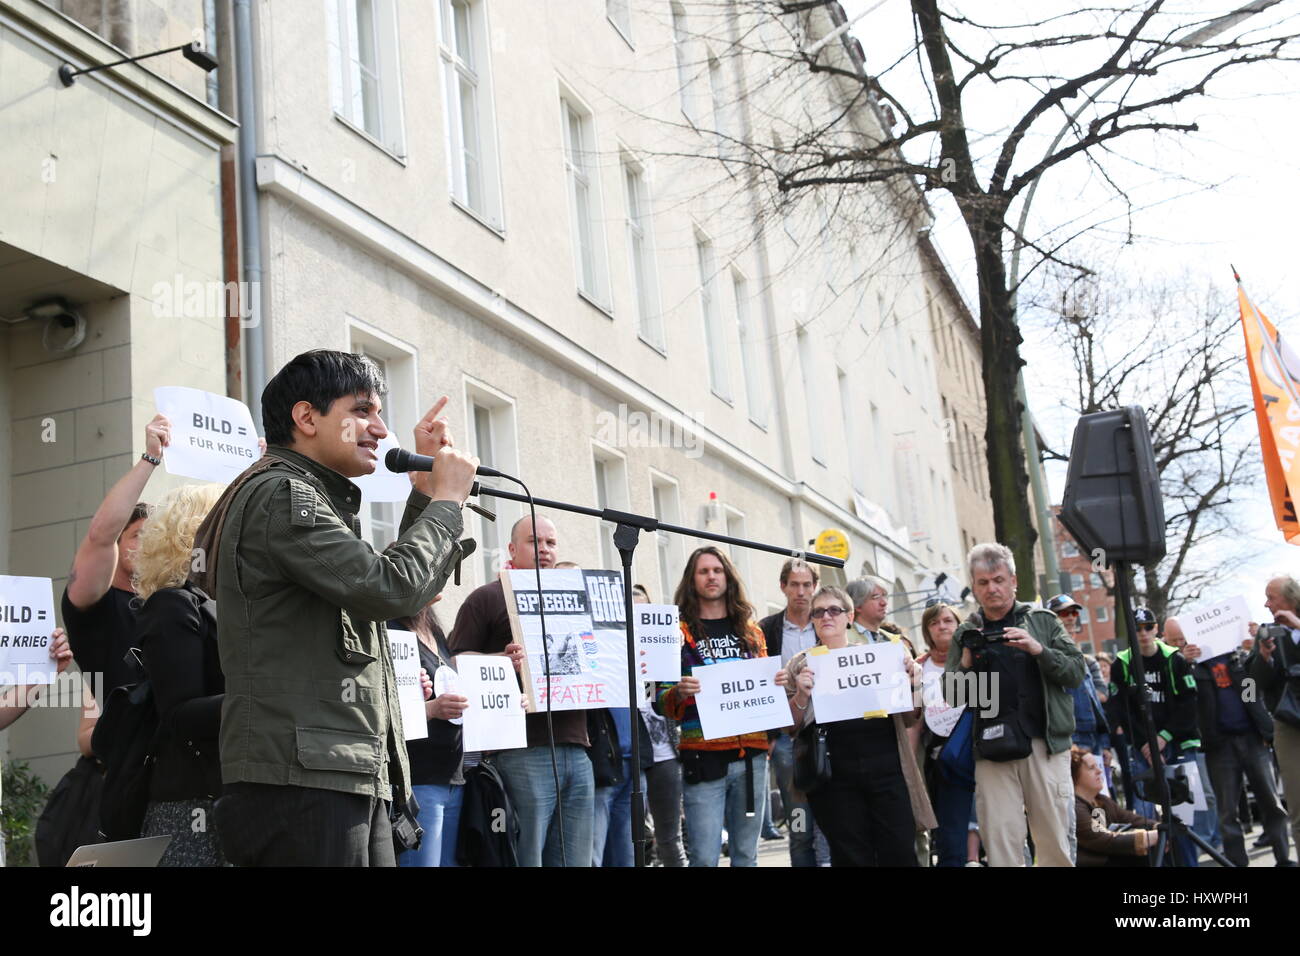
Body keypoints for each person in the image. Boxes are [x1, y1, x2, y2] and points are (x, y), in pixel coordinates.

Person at [195, 350, 478, 866]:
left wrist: (424, 496)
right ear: (306, 418)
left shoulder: (304, 495)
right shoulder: (283, 495)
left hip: (333, 770)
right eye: (363, 411)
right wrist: (447, 502)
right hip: (303, 779)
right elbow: (389, 589)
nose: (380, 429)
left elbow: (386, 594)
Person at [448, 515, 595, 868]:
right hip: (522, 751)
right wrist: (500, 660)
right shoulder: (487, 598)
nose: (544, 549)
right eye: (534, 541)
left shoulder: (576, 596)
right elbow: (452, 661)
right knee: (526, 855)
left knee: (575, 859)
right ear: (512, 548)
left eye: (551, 543)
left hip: (577, 746)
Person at [944, 542, 1085, 867]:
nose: (992, 588)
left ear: (1013, 580)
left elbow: (1075, 672)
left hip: (1043, 746)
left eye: (998, 579)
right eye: (983, 582)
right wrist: (966, 661)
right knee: (1001, 844)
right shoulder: (967, 630)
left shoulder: (1042, 620)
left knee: (1054, 842)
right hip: (992, 750)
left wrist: (1039, 650)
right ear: (974, 587)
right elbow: (953, 695)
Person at [783, 586, 934, 865]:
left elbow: (910, 716)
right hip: (833, 776)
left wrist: (913, 686)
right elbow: (789, 728)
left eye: (834, 610)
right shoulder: (800, 664)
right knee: (851, 856)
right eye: (818, 612)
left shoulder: (881, 658)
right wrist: (802, 694)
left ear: (849, 617)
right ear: (812, 619)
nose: (826, 616)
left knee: (900, 852)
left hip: (886, 768)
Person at [656, 547, 783, 867]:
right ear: (691, 580)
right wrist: (679, 693)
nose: (711, 576)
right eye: (703, 571)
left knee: (746, 856)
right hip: (703, 761)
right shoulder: (675, 634)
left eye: (717, 570)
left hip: (752, 761)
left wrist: (779, 684)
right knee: (704, 858)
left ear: (728, 576)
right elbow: (660, 700)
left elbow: (766, 690)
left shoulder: (752, 633)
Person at [134, 483, 227, 866]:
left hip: (233, 799)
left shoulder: (227, 605)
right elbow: (180, 714)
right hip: (192, 804)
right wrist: (265, 698)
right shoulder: (173, 605)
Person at [61, 414, 170, 699]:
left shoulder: (176, 602)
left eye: (155, 537)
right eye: (137, 535)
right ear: (117, 544)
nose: (148, 545)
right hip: (130, 742)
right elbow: (101, 534)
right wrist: (151, 458)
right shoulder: (98, 604)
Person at [1181, 620, 1293, 866]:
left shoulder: (1240, 660)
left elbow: (1252, 693)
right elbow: (1185, 695)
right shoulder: (1195, 669)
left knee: (1271, 804)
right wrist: (1185, 661)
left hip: (1252, 740)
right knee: (1227, 812)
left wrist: (1252, 649)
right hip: (1219, 746)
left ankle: (1284, 858)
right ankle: (1236, 864)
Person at [1110, 608, 1202, 866]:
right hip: (1142, 749)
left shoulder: (1175, 659)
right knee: (1146, 816)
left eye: (1147, 627)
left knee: (1183, 813)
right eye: (1137, 628)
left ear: (1156, 628)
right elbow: (1121, 710)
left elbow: (1189, 704)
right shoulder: (1123, 663)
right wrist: (1145, 745)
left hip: (1176, 742)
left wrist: (1163, 736)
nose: (1143, 634)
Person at [757, 558, 823, 866]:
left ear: (815, 587)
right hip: (786, 740)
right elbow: (759, 684)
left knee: (830, 819)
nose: (801, 591)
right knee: (799, 824)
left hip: (827, 732)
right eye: (794, 584)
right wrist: (769, 738)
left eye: (807, 584)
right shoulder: (767, 630)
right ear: (783, 587)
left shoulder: (827, 623)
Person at [395, 596, 468, 868]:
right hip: (420, 777)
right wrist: (431, 709)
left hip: (452, 776)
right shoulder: (390, 629)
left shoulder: (435, 631)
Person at [917, 602, 977, 867]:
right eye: (934, 622)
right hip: (943, 762)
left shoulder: (976, 657)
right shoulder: (918, 668)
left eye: (947, 621)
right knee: (952, 838)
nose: (941, 626)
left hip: (984, 754)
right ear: (926, 631)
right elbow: (912, 722)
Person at [634, 584, 687, 867]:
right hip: (632, 758)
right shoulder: (615, 657)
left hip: (665, 756)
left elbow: (665, 701)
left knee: (670, 837)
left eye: (644, 612)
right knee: (636, 836)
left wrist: (674, 650)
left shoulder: (665, 655)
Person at [1248, 575, 1300, 861]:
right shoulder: (1268, 635)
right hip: (1286, 723)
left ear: (1291, 597)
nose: (1266, 604)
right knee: (1295, 803)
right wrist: (1263, 657)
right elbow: (1252, 686)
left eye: (1272, 597)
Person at [1072, 747, 1159, 867]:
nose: (1099, 771)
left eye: (1098, 766)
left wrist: (1157, 826)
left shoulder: (1099, 801)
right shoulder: (1075, 807)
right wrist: (1148, 837)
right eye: (1092, 768)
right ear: (1074, 776)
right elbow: (1102, 840)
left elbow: (1131, 819)